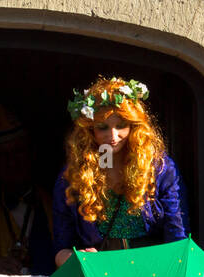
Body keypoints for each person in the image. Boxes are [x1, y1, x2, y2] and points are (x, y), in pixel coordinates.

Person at [52, 77, 186, 267]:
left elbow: (178, 239)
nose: (113, 136)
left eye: (121, 125)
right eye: (103, 127)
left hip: (153, 270)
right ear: (89, 131)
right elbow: (60, 248)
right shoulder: (72, 176)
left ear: (134, 125)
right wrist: (78, 259)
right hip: (101, 275)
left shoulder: (159, 168)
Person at [0, 95, 54, 275]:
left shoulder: (55, 201)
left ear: (32, 153)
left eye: (18, 151)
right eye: (1, 155)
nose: (11, 162)